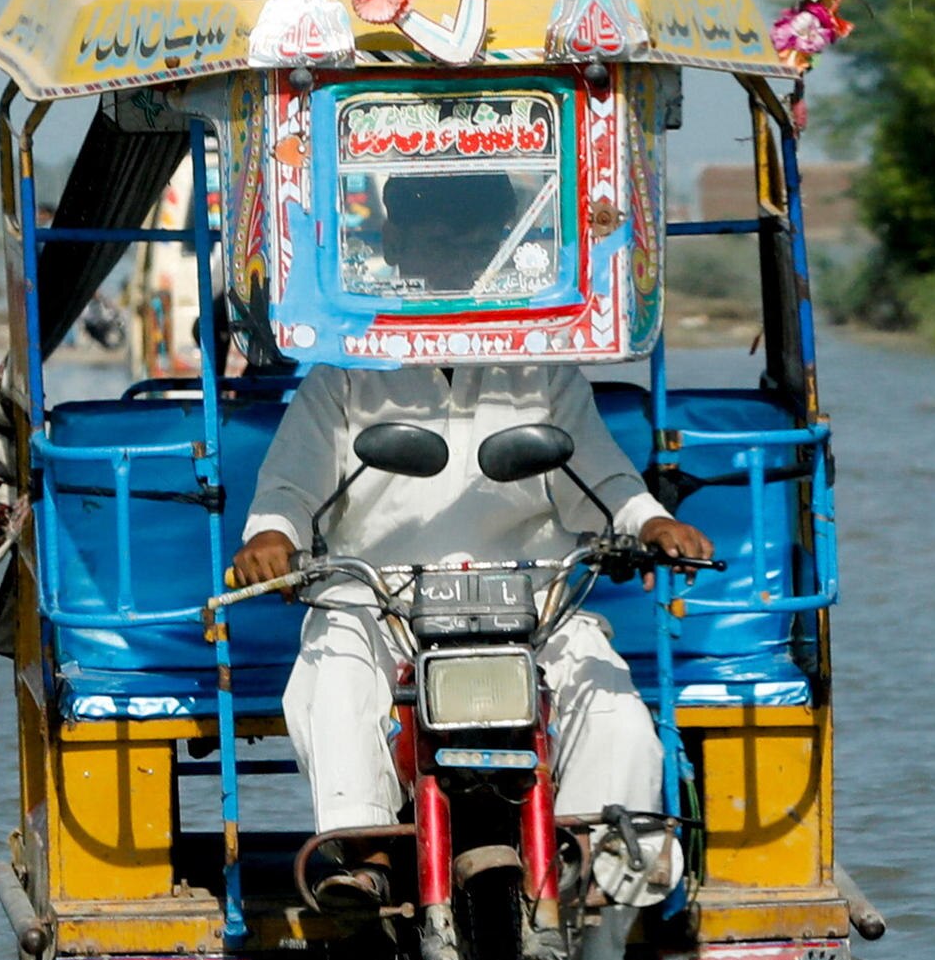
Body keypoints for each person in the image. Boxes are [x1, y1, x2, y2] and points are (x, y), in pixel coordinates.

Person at [223, 171, 711, 835]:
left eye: (479, 242)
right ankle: (361, 849)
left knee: (617, 714)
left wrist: (650, 523)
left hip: (531, 600)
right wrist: (271, 538)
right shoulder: (344, 370)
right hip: (377, 601)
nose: (457, 258)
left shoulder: (543, 369)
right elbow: (290, 488)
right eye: (438, 240)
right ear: (395, 243)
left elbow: (605, 481)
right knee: (330, 681)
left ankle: (600, 873)